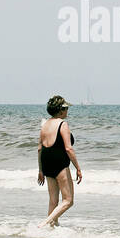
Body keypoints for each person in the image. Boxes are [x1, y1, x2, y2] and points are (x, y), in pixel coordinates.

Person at [37, 95, 82, 226]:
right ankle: (44, 223)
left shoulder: (45, 125)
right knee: (68, 200)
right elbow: (68, 148)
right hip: (59, 163)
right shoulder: (63, 124)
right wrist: (78, 168)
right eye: (66, 108)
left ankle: (51, 230)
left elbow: (39, 148)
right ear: (61, 110)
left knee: (53, 201)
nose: (67, 111)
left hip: (46, 162)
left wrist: (40, 170)